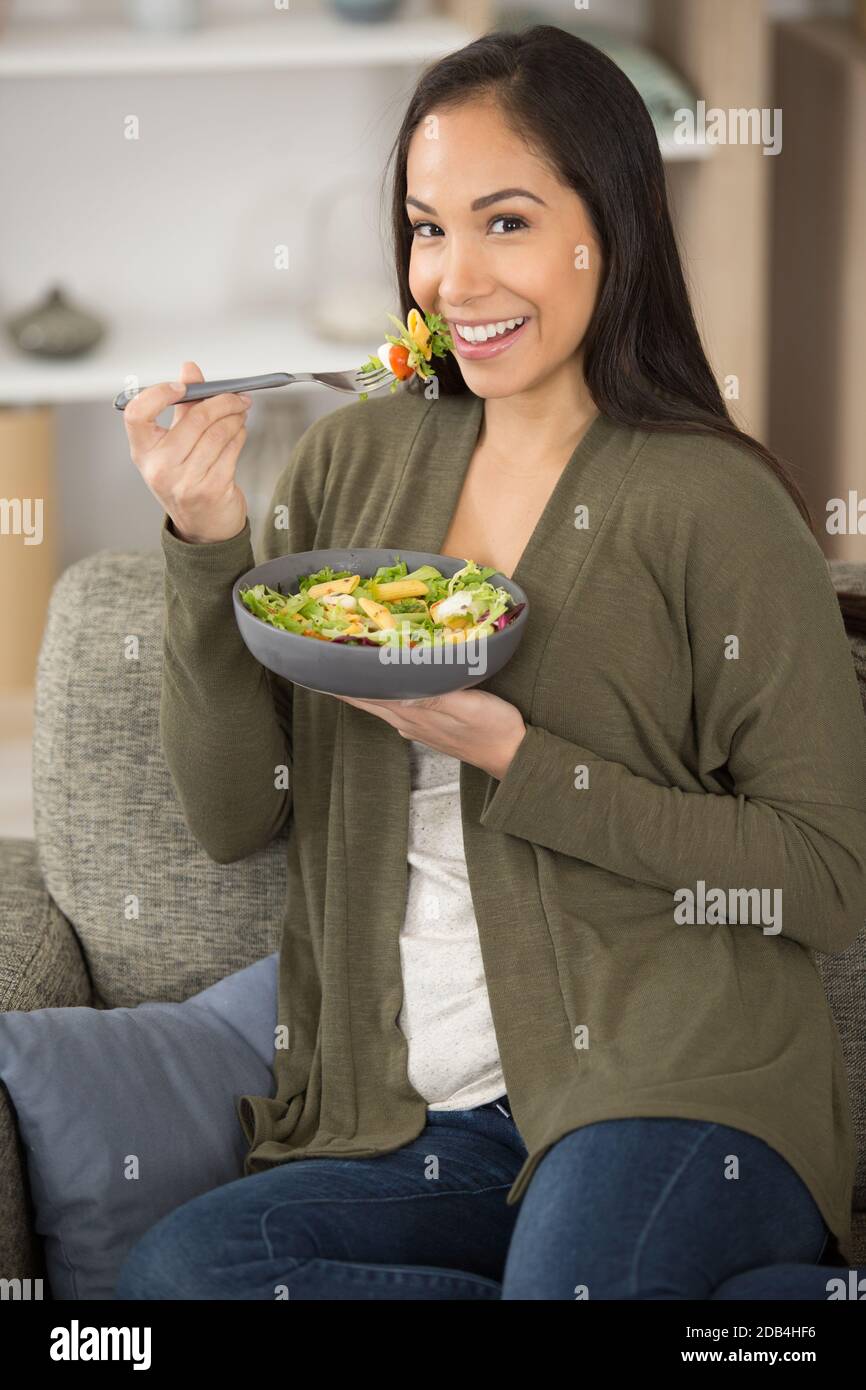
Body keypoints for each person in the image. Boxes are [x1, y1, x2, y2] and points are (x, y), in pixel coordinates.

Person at [115, 25, 866, 1300]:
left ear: (607, 228)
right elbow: (237, 815)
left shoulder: (711, 502)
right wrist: (205, 543)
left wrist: (521, 759)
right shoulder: (350, 464)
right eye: (425, 228)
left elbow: (827, 874)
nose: (452, 279)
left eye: (505, 222)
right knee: (178, 1274)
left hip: (670, 1083)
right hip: (426, 1127)